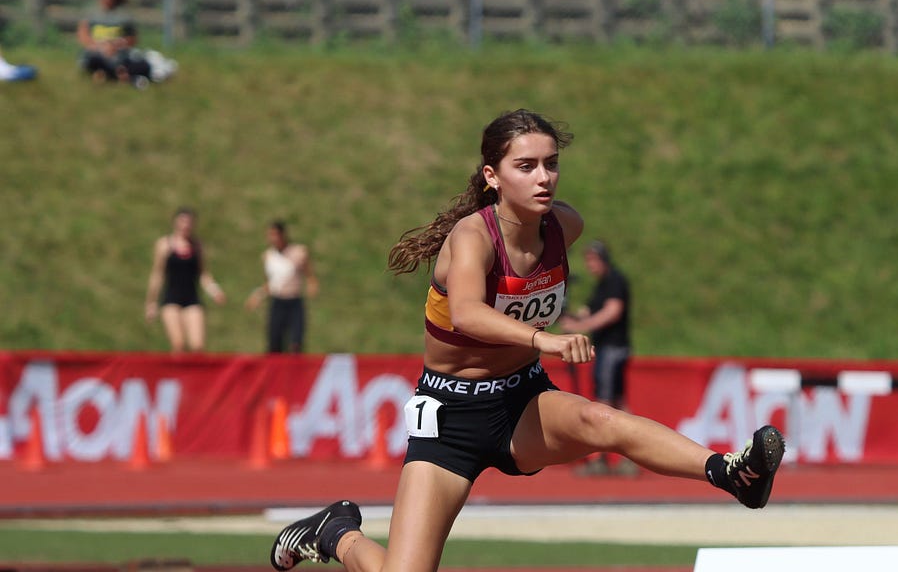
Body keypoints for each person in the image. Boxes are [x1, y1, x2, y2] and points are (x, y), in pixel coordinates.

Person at [268, 109, 785, 572]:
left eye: (551, 163)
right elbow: (468, 314)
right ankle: (337, 532)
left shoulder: (564, 227)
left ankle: (728, 472)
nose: (544, 177)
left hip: (521, 400)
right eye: (527, 166)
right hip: (451, 416)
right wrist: (545, 340)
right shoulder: (471, 239)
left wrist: (538, 348)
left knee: (600, 420)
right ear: (492, 177)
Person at [558, 240, 635, 476]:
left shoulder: (614, 281)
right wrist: (565, 315)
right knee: (618, 402)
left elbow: (612, 312)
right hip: (609, 349)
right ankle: (628, 457)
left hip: (613, 349)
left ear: (602, 259)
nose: (590, 265)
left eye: (592, 260)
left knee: (604, 400)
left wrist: (581, 325)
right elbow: (588, 310)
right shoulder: (603, 285)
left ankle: (602, 459)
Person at [144, 207, 226, 352]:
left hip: (192, 298)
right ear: (175, 223)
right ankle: (177, 374)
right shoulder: (164, 245)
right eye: (182, 222)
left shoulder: (197, 246)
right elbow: (158, 274)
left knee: (197, 345)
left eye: (189, 222)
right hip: (171, 298)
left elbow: (203, 273)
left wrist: (214, 290)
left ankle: (197, 374)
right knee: (178, 344)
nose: (185, 226)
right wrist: (151, 302)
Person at [245, 220, 319, 353]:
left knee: (296, 342)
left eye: (275, 235)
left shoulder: (298, 252)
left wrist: (312, 284)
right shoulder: (268, 256)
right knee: (274, 343)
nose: (273, 239)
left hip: (294, 302)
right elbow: (270, 283)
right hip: (277, 302)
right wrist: (258, 296)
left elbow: (309, 274)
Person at [76, 0, 150, 86]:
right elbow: (83, 35)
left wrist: (115, 46)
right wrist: (99, 47)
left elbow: (132, 39)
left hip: (119, 54)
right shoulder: (91, 13)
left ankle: (107, 74)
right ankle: (119, 74)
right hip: (97, 53)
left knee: (142, 63)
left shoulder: (124, 15)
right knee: (91, 59)